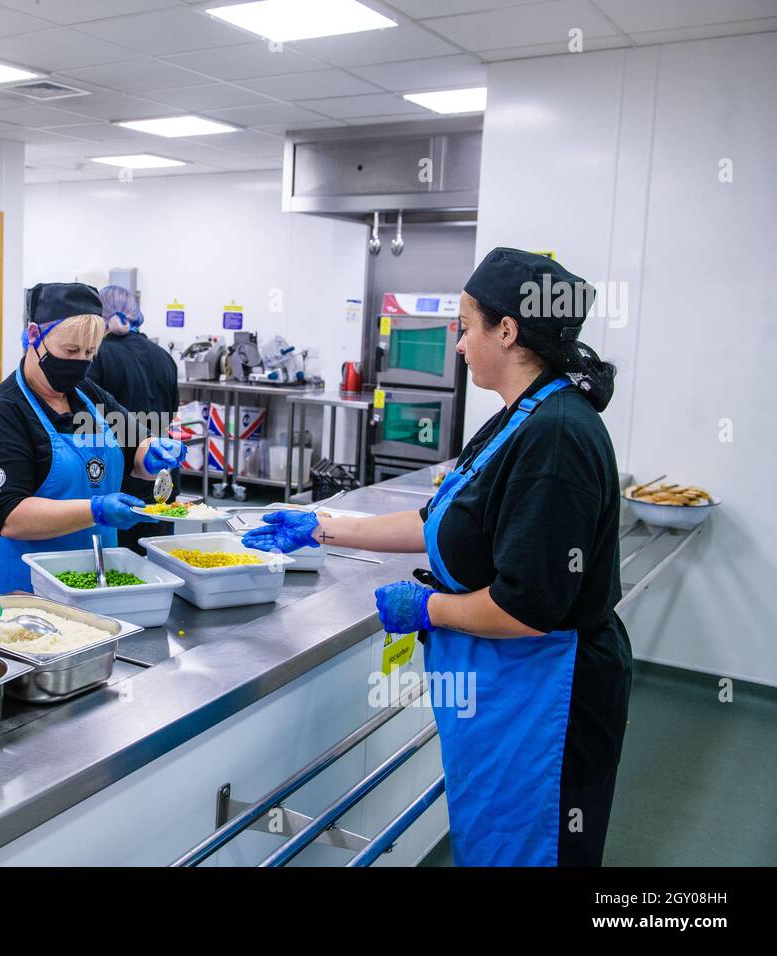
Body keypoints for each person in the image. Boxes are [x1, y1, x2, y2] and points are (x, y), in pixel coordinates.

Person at [243, 248, 632, 867]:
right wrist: (323, 527)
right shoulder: (518, 416)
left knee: (531, 851)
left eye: (466, 326)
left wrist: (431, 608)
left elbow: (527, 607)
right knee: (489, 842)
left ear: (507, 331)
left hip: (543, 694)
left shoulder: (556, 435)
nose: (457, 344)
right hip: (505, 687)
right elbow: (438, 523)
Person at [0, 282, 183, 594]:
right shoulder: (2, 413)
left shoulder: (87, 397)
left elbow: (135, 446)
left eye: (90, 353)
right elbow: (10, 516)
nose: (80, 362)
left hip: (87, 584)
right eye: (70, 351)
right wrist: (96, 510)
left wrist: (152, 453)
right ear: (34, 335)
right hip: (18, 591)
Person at [86, 285, 181, 553]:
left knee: (121, 565)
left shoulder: (98, 356)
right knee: (160, 557)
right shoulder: (163, 357)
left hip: (118, 477)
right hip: (163, 472)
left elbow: (88, 418)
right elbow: (171, 410)